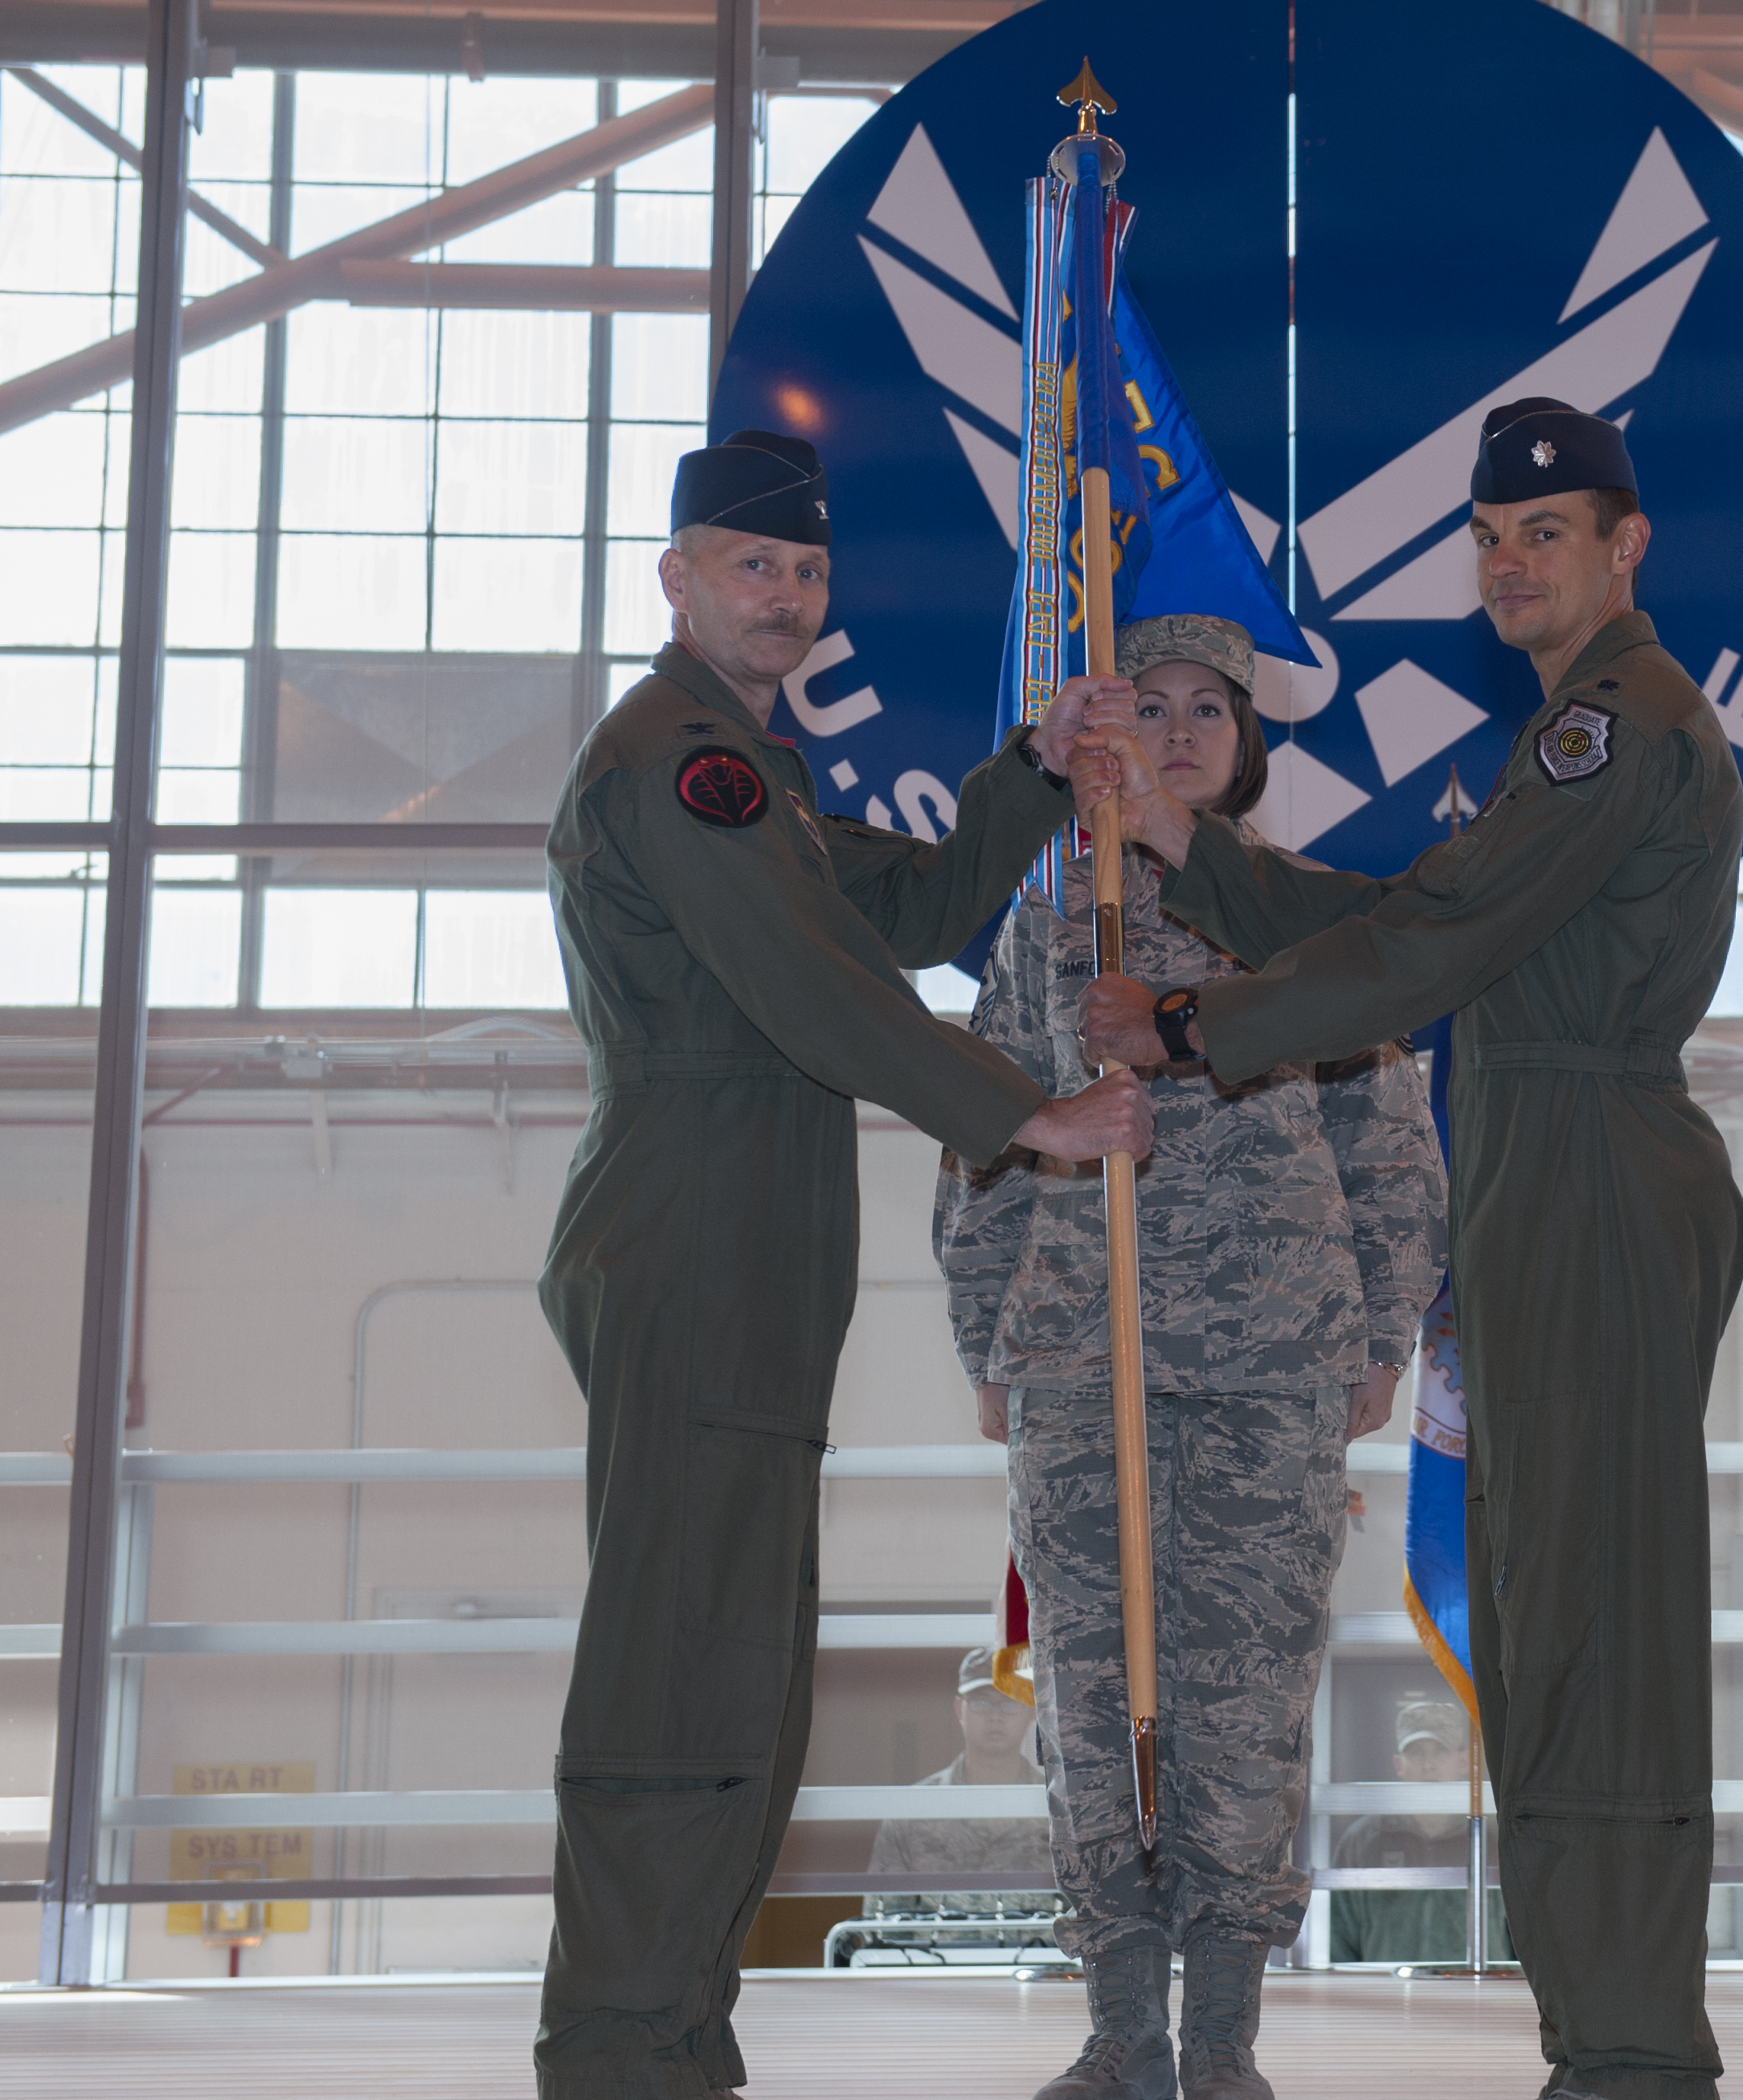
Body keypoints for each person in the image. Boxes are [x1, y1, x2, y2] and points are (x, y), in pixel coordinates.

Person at [1081, 401, 1743, 2100]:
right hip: (1549, 1177)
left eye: (1549, 532)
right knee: (1547, 1632)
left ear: (1627, 545)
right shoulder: (1570, 734)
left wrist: (1187, 1022)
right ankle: (1606, 2038)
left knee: (1591, 1641)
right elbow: (1409, 916)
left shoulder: (1616, 726)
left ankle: (1633, 2056)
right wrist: (1189, 850)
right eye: (1490, 536)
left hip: (1592, 1180)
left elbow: (1430, 942)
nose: (1510, 562)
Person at [534, 429, 1154, 2100]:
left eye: (809, 570)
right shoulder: (683, 762)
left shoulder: (763, 774)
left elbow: (921, 907)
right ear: (678, 578)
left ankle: (670, 2031)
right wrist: (1026, 1115)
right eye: (756, 564)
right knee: (681, 1663)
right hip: (695, 1222)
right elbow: (815, 980)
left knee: (736, 1661)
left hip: (745, 1235)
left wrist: (1032, 766)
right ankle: (619, 2047)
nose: (790, 594)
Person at [935, 613, 1446, 2100]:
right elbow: (978, 1137)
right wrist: (986, 1335)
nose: (1174, 730)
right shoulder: (1047, 931)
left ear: (1245, 743)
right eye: (1145, 706)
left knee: (1245, 1704)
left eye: (1205, 709)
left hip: (1270, 1365)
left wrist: (1381, 1331)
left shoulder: (1301, 929)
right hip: (1079, 1362)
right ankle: (1120, 2031)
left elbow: (1389, 1145)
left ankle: (1220, 2037)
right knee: (1092, 1703)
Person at [864, 1647, 1057, 1932]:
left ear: (1031, 1710)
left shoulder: (1056, 1808)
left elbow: (1078, 1921)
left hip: (1034, 1960)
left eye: (1009, 1702)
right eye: (981, 1702)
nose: (995, 1716)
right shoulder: (911, 1814)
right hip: (936, 1962)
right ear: (959, 1709)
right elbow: (880, 1928)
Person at [1325, 1693, 1511, 1967]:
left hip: (1477, 1990)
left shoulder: (1495, 1838)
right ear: (1398, 1764)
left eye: (1441, 1751)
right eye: (1416, 1752)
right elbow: (1338, 1940)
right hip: (1386, 1990)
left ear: (1464, 1762)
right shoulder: (1364, 1839)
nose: (1428, 1765)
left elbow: (1524, 1938)